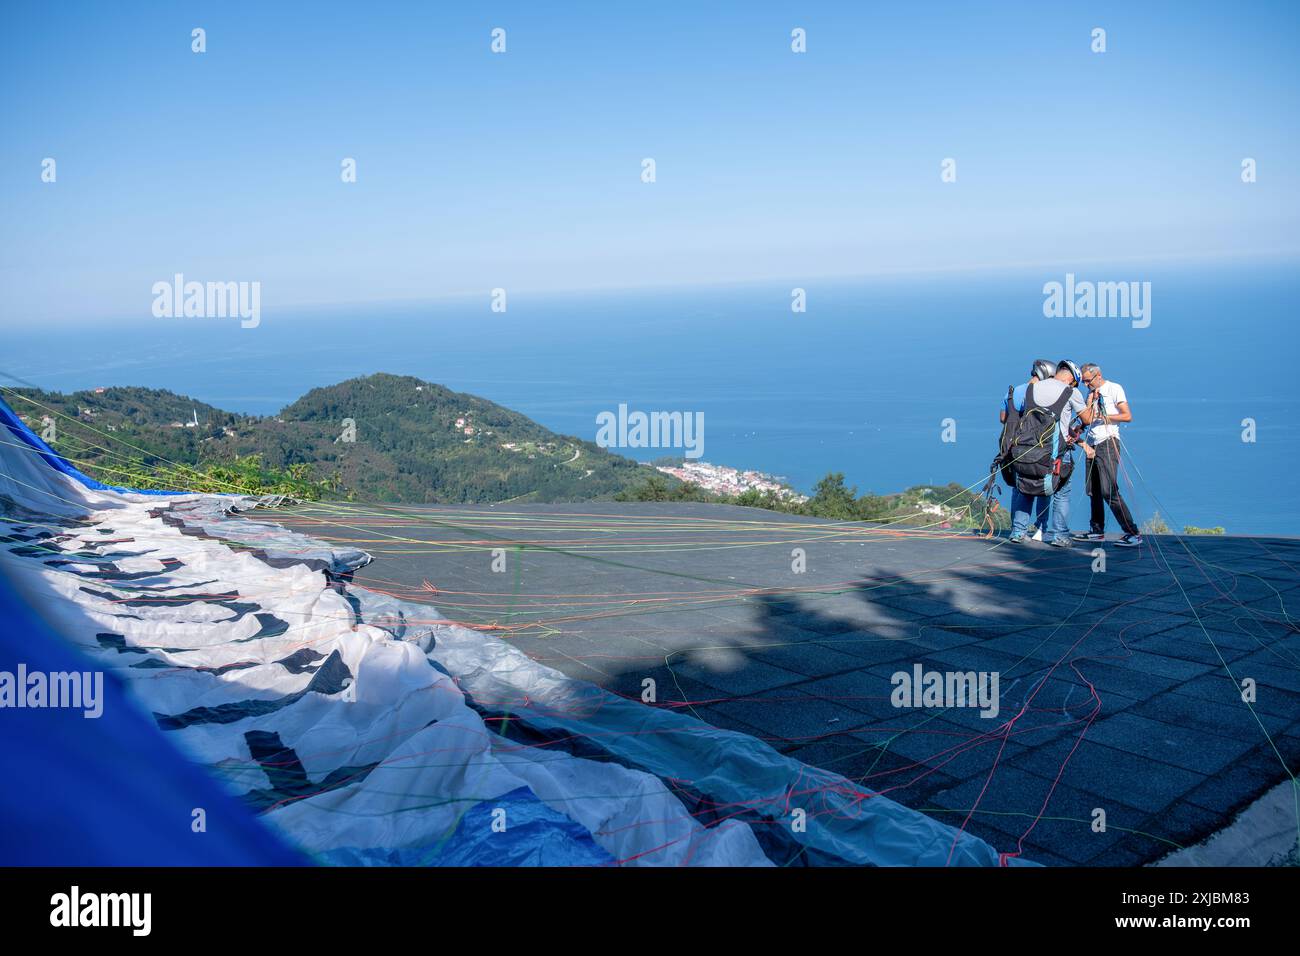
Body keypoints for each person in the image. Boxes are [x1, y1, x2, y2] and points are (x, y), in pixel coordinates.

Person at [1009, 360, 1094, 547]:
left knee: (1026, 488)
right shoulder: (1071, 392)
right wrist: (1089, 402)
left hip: (1028, 449)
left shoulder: (1032, 389)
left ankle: (1018, 532)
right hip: (1057, 453)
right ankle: (1059, 535)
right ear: (1071, 378)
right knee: (1061, 493)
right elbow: (1087, 419)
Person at [1072, 363, 1142, 548]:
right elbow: (1087, 419)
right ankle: (1097, 531)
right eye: (1084, 382)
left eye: (1088, 381)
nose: (1086, 384)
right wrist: (1082, 422)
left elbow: (1127, 416)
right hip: (1092, 443)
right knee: (1092, 490)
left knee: (1108, 490)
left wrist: (1105, 418)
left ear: (1098, 375)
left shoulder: (1114, 388)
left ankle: (1132, 532)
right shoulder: (1090, 394)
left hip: (1108, 442)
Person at [1001, 360, 1055, 541]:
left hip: (1012, 446)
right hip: (1036, 445)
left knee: (1019, 486)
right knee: (1044, 485)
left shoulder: (1014, 390)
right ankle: (1041, 528)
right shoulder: (1042, 392)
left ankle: (1017, 530)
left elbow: (1003, 417)